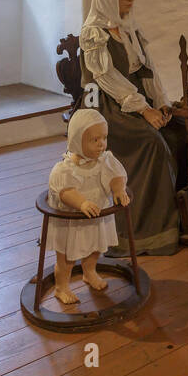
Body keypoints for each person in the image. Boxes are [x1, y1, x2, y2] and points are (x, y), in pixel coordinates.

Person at [79, 0, 186, 255]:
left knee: (178, 131)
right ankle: (143, 230)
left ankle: (180, 212)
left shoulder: (130, 30)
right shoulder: (93, 34)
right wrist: (144, 110)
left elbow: (147, 71)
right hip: (105, 106)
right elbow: (107, 79)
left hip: (137, 99)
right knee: (150, 142)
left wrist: (160, 101)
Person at [46, 109, 129, 305]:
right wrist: (81, 202)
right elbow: (65, 191)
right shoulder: (64, 169)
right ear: (76, 140)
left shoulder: (105, 160)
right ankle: (61, 287)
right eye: (94, 140)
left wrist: (118, 190)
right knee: (66, 259)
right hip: (71, 222)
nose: (101, 144)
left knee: (95, 248)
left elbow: (117, 176)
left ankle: (89, 271)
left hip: (96, 216)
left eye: (104, 138)